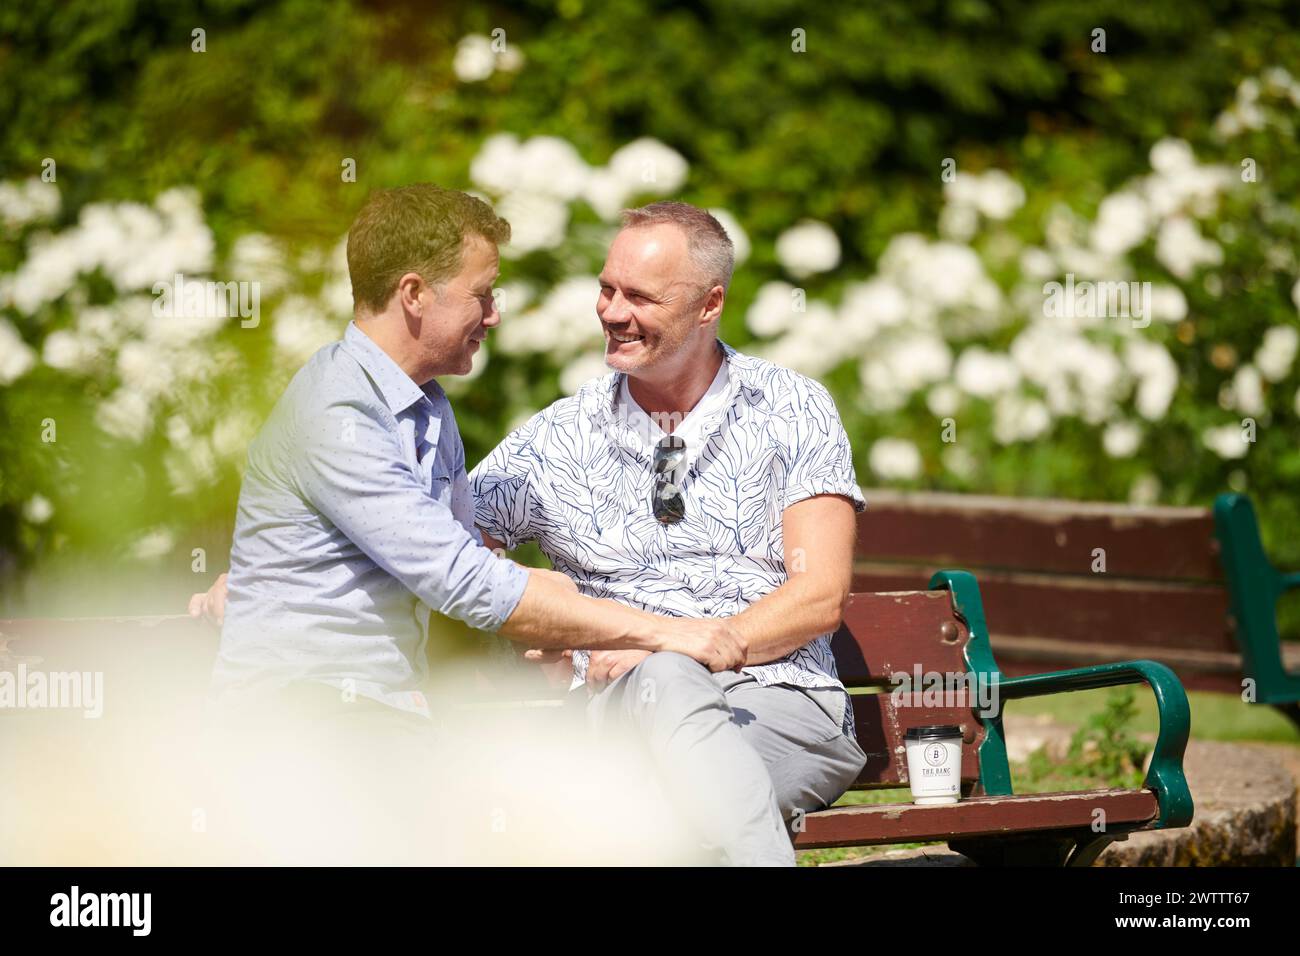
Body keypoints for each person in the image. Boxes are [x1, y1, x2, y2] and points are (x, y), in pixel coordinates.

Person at [203, 184, 746, 726]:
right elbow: (463, 580)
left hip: (381, 718)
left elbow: (468, 563)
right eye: (481, 295)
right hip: (301, 721)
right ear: (414, 294)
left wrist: (551, 602)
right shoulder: (336, 410)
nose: (493, 316)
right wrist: (669, 631)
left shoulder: (427, 406)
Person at [470, 201, 869, 866]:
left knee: (657, 775)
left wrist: (691, 649)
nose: (612, 312)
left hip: (778, 706)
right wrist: (531, 600)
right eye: (606, 288)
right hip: (613, 712)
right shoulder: (561, 436)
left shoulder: (790, 408)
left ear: (709, 304)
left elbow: (821, 594)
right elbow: (434, 541)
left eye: (640, 297)